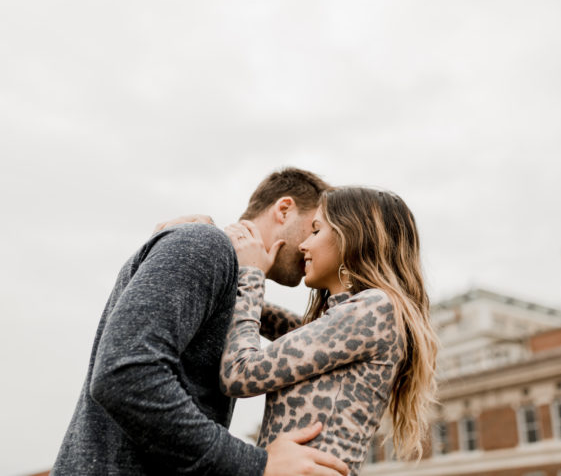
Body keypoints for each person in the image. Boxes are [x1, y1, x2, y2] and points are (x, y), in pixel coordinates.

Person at [52, 168, 350, 476]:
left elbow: (318, 335)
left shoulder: (223, 272)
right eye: (314, 228)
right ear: (284, 209)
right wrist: (256, 465)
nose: (312, 245)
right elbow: (124, 372)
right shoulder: (205, 246)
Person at [219, 187, 438, 475]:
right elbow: (291, 333)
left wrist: (251, 275)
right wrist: (225, 279)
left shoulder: (374, 309)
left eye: (315, 231)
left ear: (351, 237)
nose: (303, 246)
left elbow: (240, 372)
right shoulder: (360, 315)